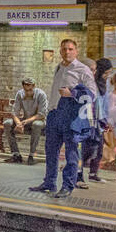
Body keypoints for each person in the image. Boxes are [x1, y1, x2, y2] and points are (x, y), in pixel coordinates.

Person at [30, 39, 96, 198]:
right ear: (60, 51)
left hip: (71, 116)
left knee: (71, 152)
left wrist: (72, 93)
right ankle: (49, 182)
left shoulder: (82, 70)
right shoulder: (59, 67)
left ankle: (68, 185)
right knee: (51, 151)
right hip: (54, 114)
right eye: (64, 49)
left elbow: (92, 94)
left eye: (70, 49)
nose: (67, 52)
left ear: (76, 51)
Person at [77, 58, 113, 186]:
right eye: (91, 69)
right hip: (83, 122)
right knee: (82, 151)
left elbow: (103, 103)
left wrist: (105, 119)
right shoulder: (83, 83)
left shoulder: (102, 83)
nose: (106, 75)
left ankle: (93, 173)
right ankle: (78, 176)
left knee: (98, 149)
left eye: (94, 70)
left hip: (97, 120)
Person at [4, 77, 48, 164]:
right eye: (25, 90)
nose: (28, 92)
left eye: (30, 89)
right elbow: (14, 112)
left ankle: (32, 155)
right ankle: (16, 154)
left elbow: (41, 114)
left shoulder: (41, 94)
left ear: (34, 86)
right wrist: (18, 124)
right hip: (25, 120)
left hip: (40, 121)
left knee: (36, 124)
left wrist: (26, 121)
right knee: (7, 123)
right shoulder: (20, 94)